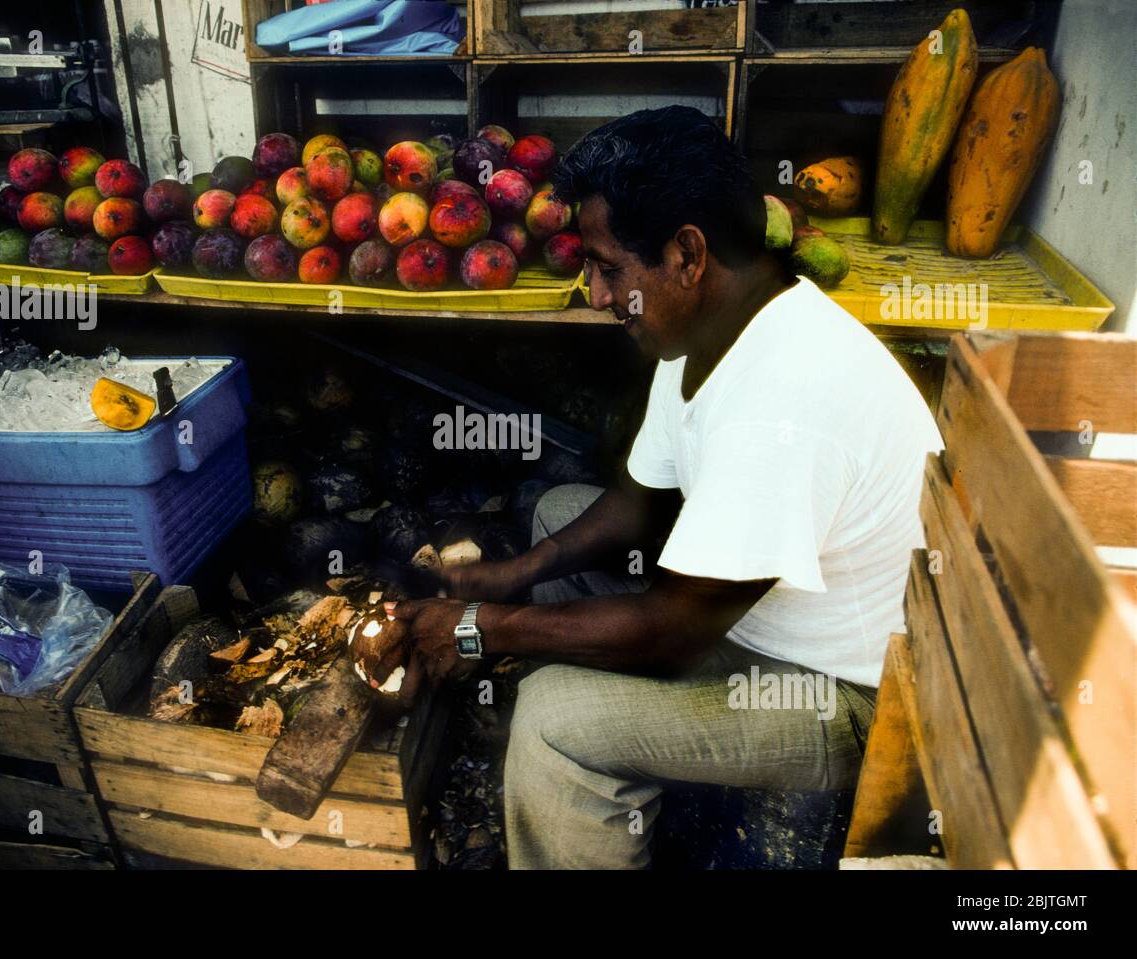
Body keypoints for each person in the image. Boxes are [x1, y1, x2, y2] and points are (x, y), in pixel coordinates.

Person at [353, 106, 943, 869]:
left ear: (687, 254)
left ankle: (576, 764)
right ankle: (613, 769)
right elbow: (638, 503)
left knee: (551, 716)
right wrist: (514, 576)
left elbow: (671, 631)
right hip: (758, 623)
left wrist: (478, 625)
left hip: (844, 696)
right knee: (560, 516)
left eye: (606, 266)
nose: (595, 293)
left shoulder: (786, 395)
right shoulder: (712, 330)